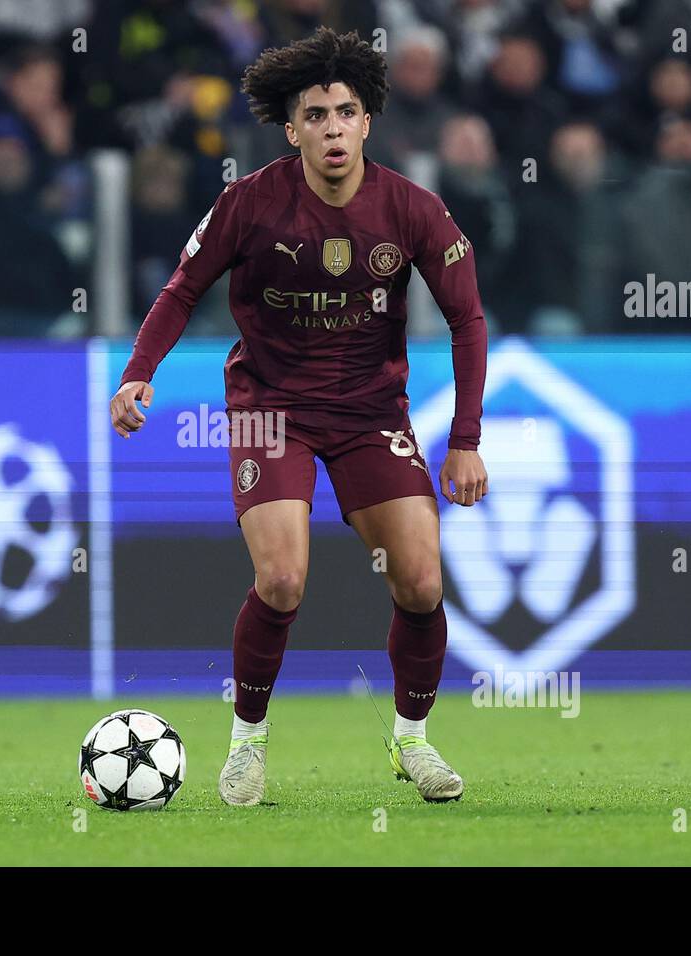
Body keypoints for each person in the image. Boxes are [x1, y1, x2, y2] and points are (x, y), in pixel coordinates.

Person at [109, 27, 488, 807]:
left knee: (419, 581)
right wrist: (138, 375)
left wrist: (466, 442)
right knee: (281, 579)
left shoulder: (412, 210)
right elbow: (182, 290)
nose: (333, 128)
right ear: (293, 131)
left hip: (369, 411)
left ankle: (411, 741)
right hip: (268, 408)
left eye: (345, 112)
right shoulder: (249, 203)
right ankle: (247, 743)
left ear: (367, 122)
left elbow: (469, 321)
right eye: (315, 116)